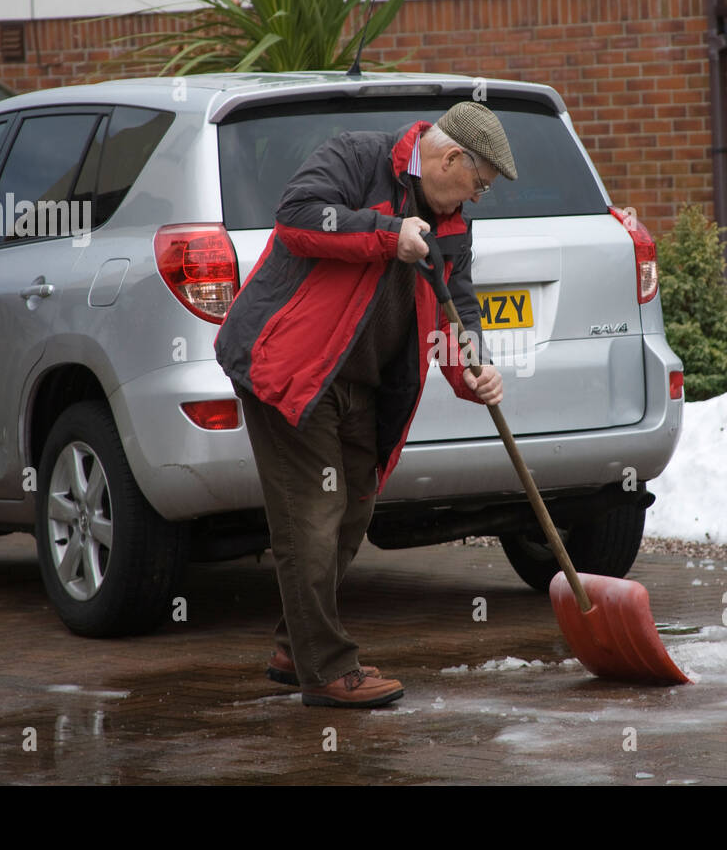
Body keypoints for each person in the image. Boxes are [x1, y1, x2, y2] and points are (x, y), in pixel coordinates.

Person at [214, 101, 517, 707]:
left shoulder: (451, 221)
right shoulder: (358, 157)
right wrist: (386, 236)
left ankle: (291, 645)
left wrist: (474, 368)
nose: (479, 196)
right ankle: (325, 670)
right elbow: (297, 217)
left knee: (352, 511)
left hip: (365, 386)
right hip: (291, 370)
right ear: (452, 157)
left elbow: (458, 303)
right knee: (313, 517)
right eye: (479, 182)